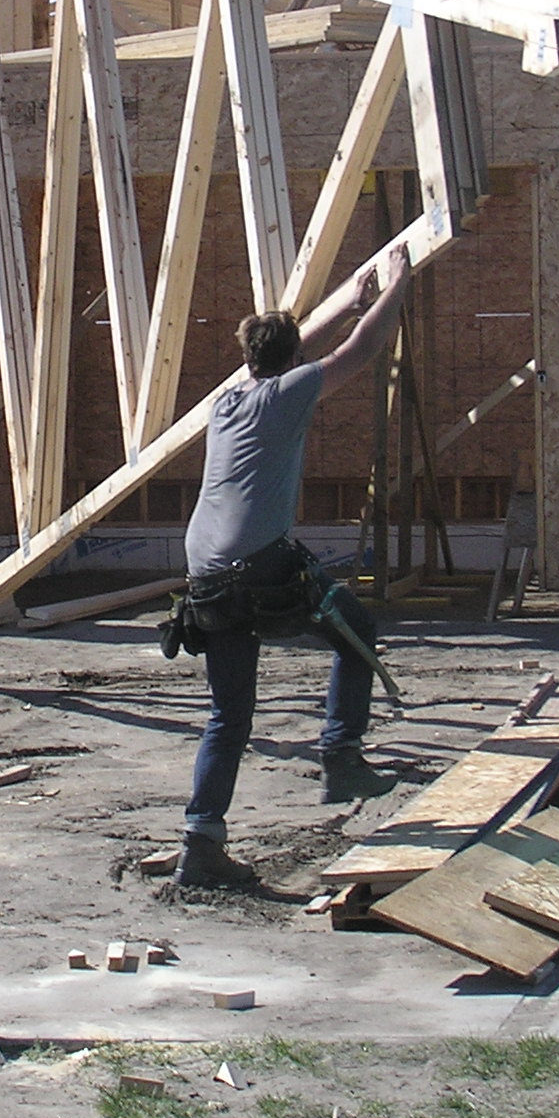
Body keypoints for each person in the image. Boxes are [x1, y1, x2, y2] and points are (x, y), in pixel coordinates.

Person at [172, 244, 414, 889]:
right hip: (258, 567)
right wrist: (395, 287)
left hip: (203, 574)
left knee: (229, 716)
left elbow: (291, 351)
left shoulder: (226, 401)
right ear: (294, 358)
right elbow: (360, 352)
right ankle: (341, 757)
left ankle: (202, 843)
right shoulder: (294, 390)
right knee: (356, 632)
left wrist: (347, 303)